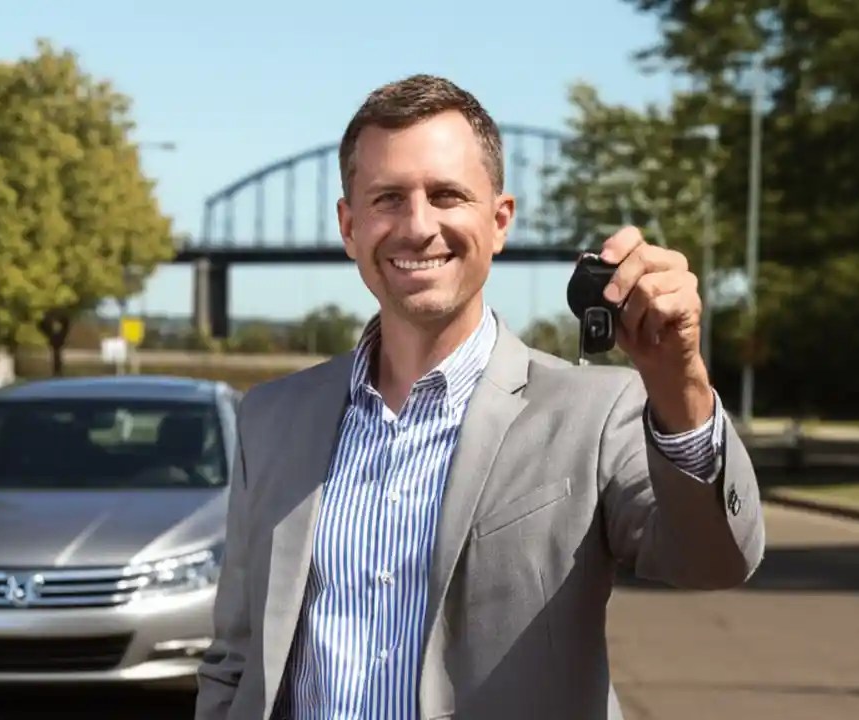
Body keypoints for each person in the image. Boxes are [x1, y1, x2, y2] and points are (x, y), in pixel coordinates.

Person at [194, 74, 765, 720]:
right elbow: (234, 661)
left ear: (499, 221)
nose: (417, 226)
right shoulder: (272, 418)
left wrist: (680, 379)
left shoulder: (594, 414)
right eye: (387, 198)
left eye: (447, 195)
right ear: (349, 226)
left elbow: (718, 558)